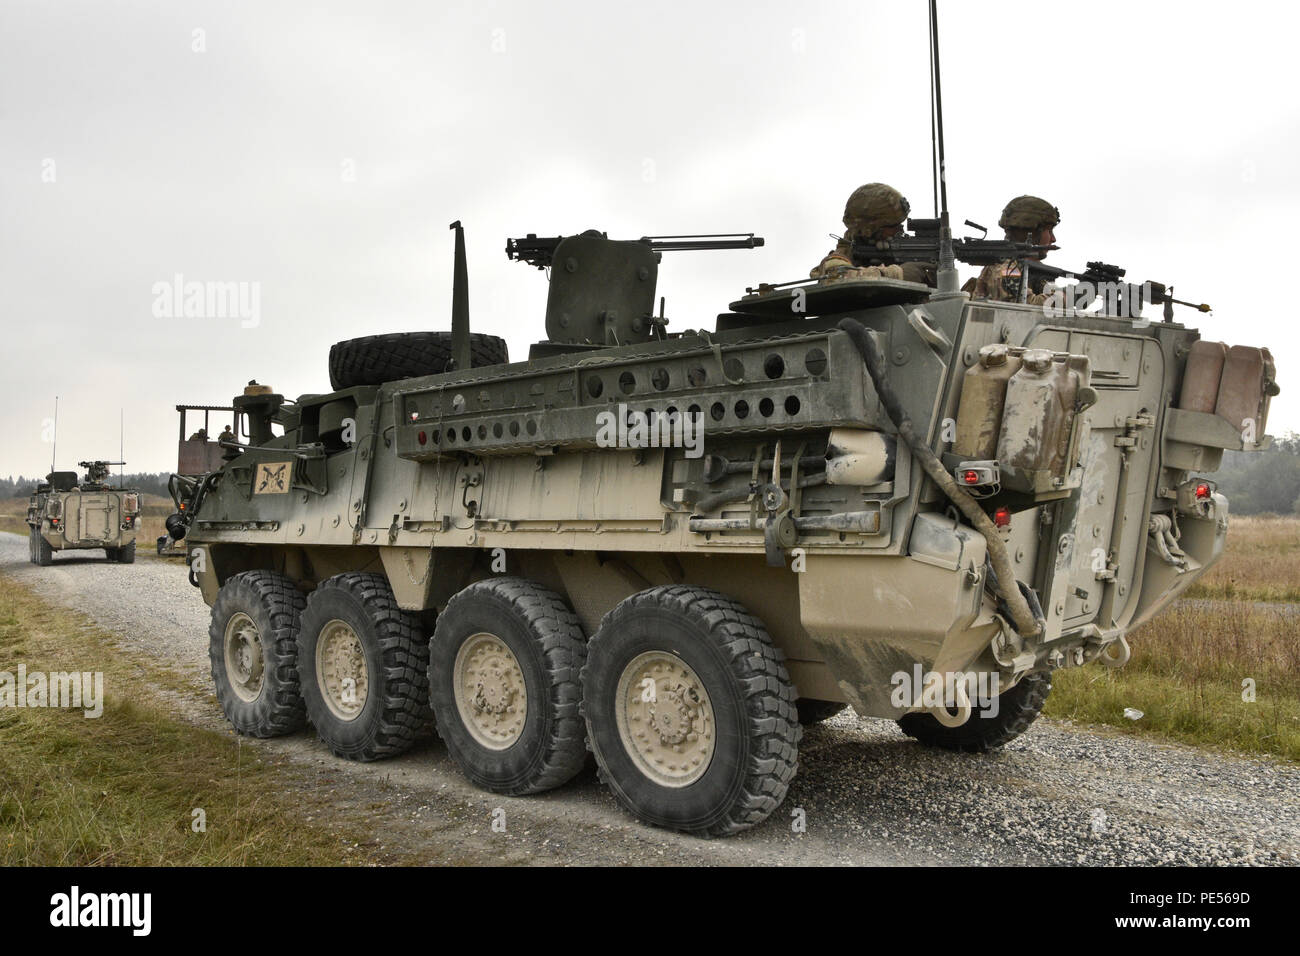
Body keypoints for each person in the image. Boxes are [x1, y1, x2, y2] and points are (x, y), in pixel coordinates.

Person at [810, 183, 935, 286]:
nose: (900, 230)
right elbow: (835, 278)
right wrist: (899, 274)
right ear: (868, 231)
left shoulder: (891, 251)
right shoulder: (840, 257)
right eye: (892, 226)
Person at [968, 195, 1059, 304]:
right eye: (1049, 231)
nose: (1053, 239)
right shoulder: (1004, 266)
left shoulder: (1035, 271)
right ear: (1032, 233)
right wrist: (1070, 296)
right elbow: (1025, 304)